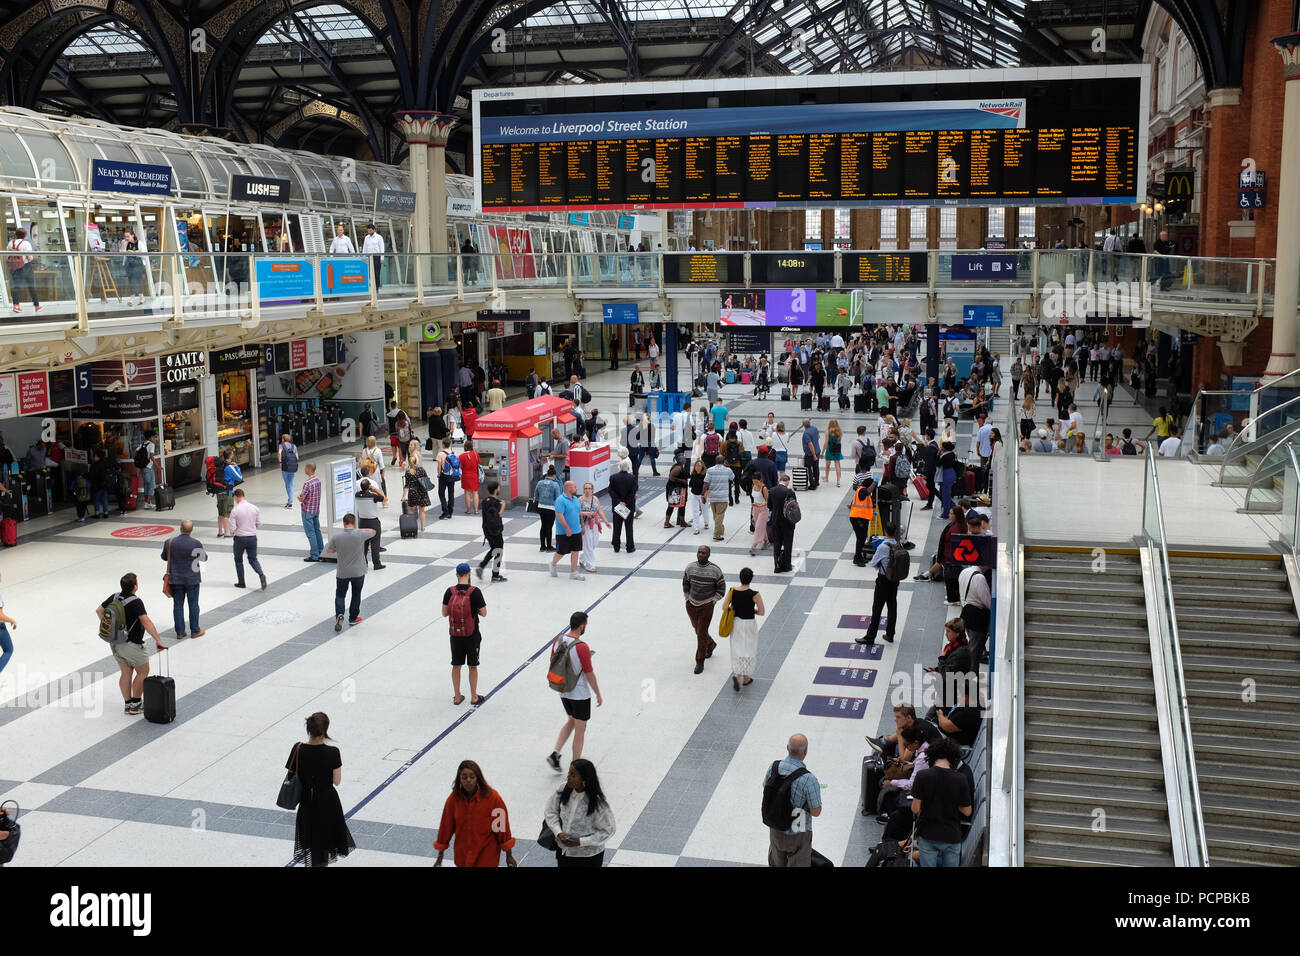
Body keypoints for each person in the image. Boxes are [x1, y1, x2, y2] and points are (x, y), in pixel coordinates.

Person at [287, 711, 356, 867]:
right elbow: (337, 781)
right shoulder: (332, 752)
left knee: (311, 843)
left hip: (306, 801)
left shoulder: (298, 749)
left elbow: (291, 773)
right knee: (324, 846)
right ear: (325, 731)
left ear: (308, 729)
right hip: (327, 802)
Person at [97, 572, 167, 716]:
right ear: (135, 586)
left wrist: (112, 628)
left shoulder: (115, 596)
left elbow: (99, 611)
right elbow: (146, 621)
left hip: (115, 643)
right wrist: (158, 640)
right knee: (143, 671)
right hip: (131, 644)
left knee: (126, 672)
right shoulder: (136, 602)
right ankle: (136, 705)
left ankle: (128, 704)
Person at [433, 760, 518, 868]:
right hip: (463, 856)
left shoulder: (493, 799)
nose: (468, 780)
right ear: (459, 779)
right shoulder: (453, 800)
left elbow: (502, 828)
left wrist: (508, 855)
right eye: (464, 777)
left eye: (472, 777)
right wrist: (440, 856)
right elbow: (446, 827)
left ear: (478, 778)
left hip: (486, 856)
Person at [547, 611, 602, 769]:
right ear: (582, 626)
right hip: (580, 695)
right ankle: (575, 766)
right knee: (580, 728)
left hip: (563, 689)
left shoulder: (558, 640)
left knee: (571, 720)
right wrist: (598, 693)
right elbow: (589, 674)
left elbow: (553, 660)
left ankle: (555, 754)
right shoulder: (582, 647)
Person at [911, 736, 972, 868]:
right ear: (954, 757)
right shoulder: (960, 779)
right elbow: (967, 811)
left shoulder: (922, 776)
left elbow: (915, 809)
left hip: (928, 833)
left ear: (932, 754)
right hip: (952, 834)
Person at [544, 758, 616, 868]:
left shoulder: (598, 804)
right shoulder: (564, 789)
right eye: (569, 772)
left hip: (589, 858)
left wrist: (580, 841)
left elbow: (608, 831)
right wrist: (559, 832)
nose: (568, 777)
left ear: (584, 779)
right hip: (564, 853)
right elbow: (551, 811)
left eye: (573, 775)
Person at [762, 733, 821, 867]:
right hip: (798, 833)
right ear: (805, 751)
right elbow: (816, 811)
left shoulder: (774, 767)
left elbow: (766, 789)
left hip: (775, 828)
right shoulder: (809, 779)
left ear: (787, 747)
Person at [443, 562, 488, 705]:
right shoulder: (475, 592)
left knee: (456, 665)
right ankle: (474, 696)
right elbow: (484, 613)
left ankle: (457, 696)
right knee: (472, 666)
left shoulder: (449, 592)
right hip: (472, 634)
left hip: (455, 635)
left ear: (457, 575)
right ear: (469, 574)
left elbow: (444, 613)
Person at [324, 513, 373, 629]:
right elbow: (373, 531)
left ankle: (340, 614)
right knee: (356, 594)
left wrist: (339, 548)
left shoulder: (337, 537)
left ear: (344, 523)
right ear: (354, 523)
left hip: (342, 572)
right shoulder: (360, 534)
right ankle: (353, 618)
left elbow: (329, 551)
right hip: (358, 571)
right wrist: (357, 529)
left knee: (340, 595)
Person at [683, 545, 726, 674]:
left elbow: (721, 589)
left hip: (706, 606)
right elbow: (685, 583)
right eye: (699, 552)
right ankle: (711, 644)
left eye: (703, 553)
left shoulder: (715, 570)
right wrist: (687, 598)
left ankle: (699, 662)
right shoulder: (690, 567)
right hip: (691, 605)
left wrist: (712, 602)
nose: (700, 554)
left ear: (708, 555)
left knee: (701, 633)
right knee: (697, 629)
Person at [161, 520, 206, 640]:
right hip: (192, 579)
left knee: (178, 606)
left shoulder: (169, 542)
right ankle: (195, 631)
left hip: (175, 579)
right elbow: (204, 558)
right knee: (193, 605)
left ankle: (180, 632)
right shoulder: (196, 543)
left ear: (180, 528)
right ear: (191, 530)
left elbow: (164, 557)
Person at [722, 566, 764, 692]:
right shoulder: (755, 594)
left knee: (737, 647)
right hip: (749, 624)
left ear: (740, 578)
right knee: (749, 648)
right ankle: (739, 675)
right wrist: (752, 610)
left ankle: (744, 678)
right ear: (751, 579)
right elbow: (761, 612)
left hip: (736, 623)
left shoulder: (732, 591)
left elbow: (724, 607)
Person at [857, 530, 901, 645]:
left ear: (886, 532)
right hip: (894, 580)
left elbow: (873, 563)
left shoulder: (883, 546)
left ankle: (870, 637)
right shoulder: (898, 544)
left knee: (877, 608)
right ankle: (890, 634)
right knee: (892, 606)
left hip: (883, 580)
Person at [229, 488, 267, 590]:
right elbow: (259, 524)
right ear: (243, 495)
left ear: (236, 497)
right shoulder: (254, 508)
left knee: (238, 560)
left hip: (240, 539)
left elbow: (232, 529)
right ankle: (261, 574)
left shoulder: (235, 510)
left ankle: (241, 582)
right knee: (253, 559)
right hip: (252, 538)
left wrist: (234, 532)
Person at [352, 465, 387, 571]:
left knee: (364, 543)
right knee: (375, 543)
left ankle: (364, 563)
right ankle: (377, 563)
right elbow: (384, 498)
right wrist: (374, 489)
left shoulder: (357, 495)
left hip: (362, 521)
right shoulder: (372, 496)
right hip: (373, 522)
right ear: (369, 487)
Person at [550, 479, 586, 581]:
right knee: (561, 552)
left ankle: (573, 572)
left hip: (576, 531)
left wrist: (582, 525)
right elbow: (559, 516)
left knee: (575, 551)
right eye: (574, 486)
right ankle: (553, 564)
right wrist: (567, 528)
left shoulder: (576, 499)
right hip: (564, 532)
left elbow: (579, 513)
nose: (577, 488)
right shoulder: (560, 500)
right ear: (568, 488)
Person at [474, 482, 507, 582]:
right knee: (499, 550)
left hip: (486, 529)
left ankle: (482, 566)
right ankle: (495, 575)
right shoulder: (497, 503)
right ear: (496, 490)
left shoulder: (485, 501)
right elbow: (499, 515)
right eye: (499, 488)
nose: (499, 489)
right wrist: (503, 506)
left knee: (494, 548)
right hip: (495, 530)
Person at [5, 227, 41, 313]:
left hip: (14, 267)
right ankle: (36, 305)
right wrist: (32, 259)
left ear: (16, 234)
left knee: (16, 286)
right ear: (25, 235)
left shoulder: (11, 243)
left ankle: (16, 305)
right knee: (31, 285)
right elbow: (29, 257)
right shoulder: (26, 243)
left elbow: (7, 254)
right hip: (25, 266)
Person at [767, 473, 797, 573]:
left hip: (776, 522)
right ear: (787, 481)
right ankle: (787, 565)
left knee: (777, 544)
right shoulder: (789, 492)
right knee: (788, 544)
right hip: (788, 522)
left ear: (780, 481)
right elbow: (794, 507)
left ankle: (777, 566)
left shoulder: (772, 491)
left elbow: (769, 506)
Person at [608, 458, 637, 554]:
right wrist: (626, 502)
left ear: (619, 467)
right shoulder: (632, 478)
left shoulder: (613, 477)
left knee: (617, 527)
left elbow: (610, 491)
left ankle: (616, 546)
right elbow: (633, 493)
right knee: (629, 527)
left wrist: (619, 501)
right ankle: (630, 547)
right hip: (629, 506)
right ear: (628, 467)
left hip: (617, 506)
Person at [298, 462, 324, 561]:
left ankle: (314, 555)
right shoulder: (318, 481)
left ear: (308, 469)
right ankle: (321, 550)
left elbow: (302, 498)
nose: (304, 469)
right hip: (316, 510)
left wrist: (299, 498)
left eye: (305, 467)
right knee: (317, 530)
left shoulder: (307, 483)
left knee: (310, 533)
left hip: (307, 510)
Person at [704, 455, 733, 541]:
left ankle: (721, 529)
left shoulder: (710, 470)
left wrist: (703, 494)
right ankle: (716, 535)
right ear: (724, 461)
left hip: (712, 497)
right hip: (723, 497)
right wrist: (728, 466)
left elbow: (706, 483)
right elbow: (732, 478)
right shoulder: (728, 470)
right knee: (719, 515)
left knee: (716, 516)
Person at [535, 465, 562, 552]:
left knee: (543, 526)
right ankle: (549, 546)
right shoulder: (555, 484)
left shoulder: (540, 483)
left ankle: (542, 546)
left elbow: (536, 495)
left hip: (541, 507)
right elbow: (558, 498)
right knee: (549, 527)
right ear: (554, 475)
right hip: (551, 508)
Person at [402, 450, 431, 532]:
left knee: (411, 510)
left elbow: (406, 485)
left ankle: (413, 526)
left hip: (412, 493)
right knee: (422, 510)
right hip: (422, 492)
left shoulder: (408, 472)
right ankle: (422, 527)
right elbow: (426, 479)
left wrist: (404, 495)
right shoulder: (421, 470)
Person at [434, 437, 457, 520]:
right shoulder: (453, 453)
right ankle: (450, 512)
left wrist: (438, 474)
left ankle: (445, 511)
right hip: (452, 475)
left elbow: (439, 466)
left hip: (444, 475)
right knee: (451, 493)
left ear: (443, 444)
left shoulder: (440, 454)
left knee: (441, 493)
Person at [276, 432, 299, 509]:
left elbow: (279, 453)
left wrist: (280, 462)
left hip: (285, 467)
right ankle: (290, 500)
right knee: (291, 483)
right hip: (293, 467)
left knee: (287, 484)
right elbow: (297, 457)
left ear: (283, 439)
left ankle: (290, 502)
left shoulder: (281, 445)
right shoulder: (294, 446)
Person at [362, 223, 384, 290]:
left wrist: (382, 258)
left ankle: (377, 287)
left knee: (376, 273)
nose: (369, 232)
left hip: (376, 257)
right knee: (370, 273)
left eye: (370, 230)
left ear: (374, 230)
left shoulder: (379, 237)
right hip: (369, 257)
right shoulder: (366, 238)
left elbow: (382, 248)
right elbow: (364, 248)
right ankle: (371, 286)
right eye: (368, 230)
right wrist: (364, 257)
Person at [823, 419, 844, 487]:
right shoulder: (839, 431)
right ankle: (838, 481)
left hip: (830, 448)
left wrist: (823, 451)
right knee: (837, 465)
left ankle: (826, 478)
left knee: (828, 464)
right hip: (837, 449)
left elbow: (826, 442)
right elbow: (839, 440)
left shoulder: (827, 431)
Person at [801, 418, 821, 491]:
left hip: (811, 454)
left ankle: (812, 485)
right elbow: (818, 437)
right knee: (816, 467)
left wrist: (814, 455)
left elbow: (810, 444)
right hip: (817, 451)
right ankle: (817, 481)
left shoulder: (806, 433)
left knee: (808, 468)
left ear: (803, 425)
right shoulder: (815, 428)